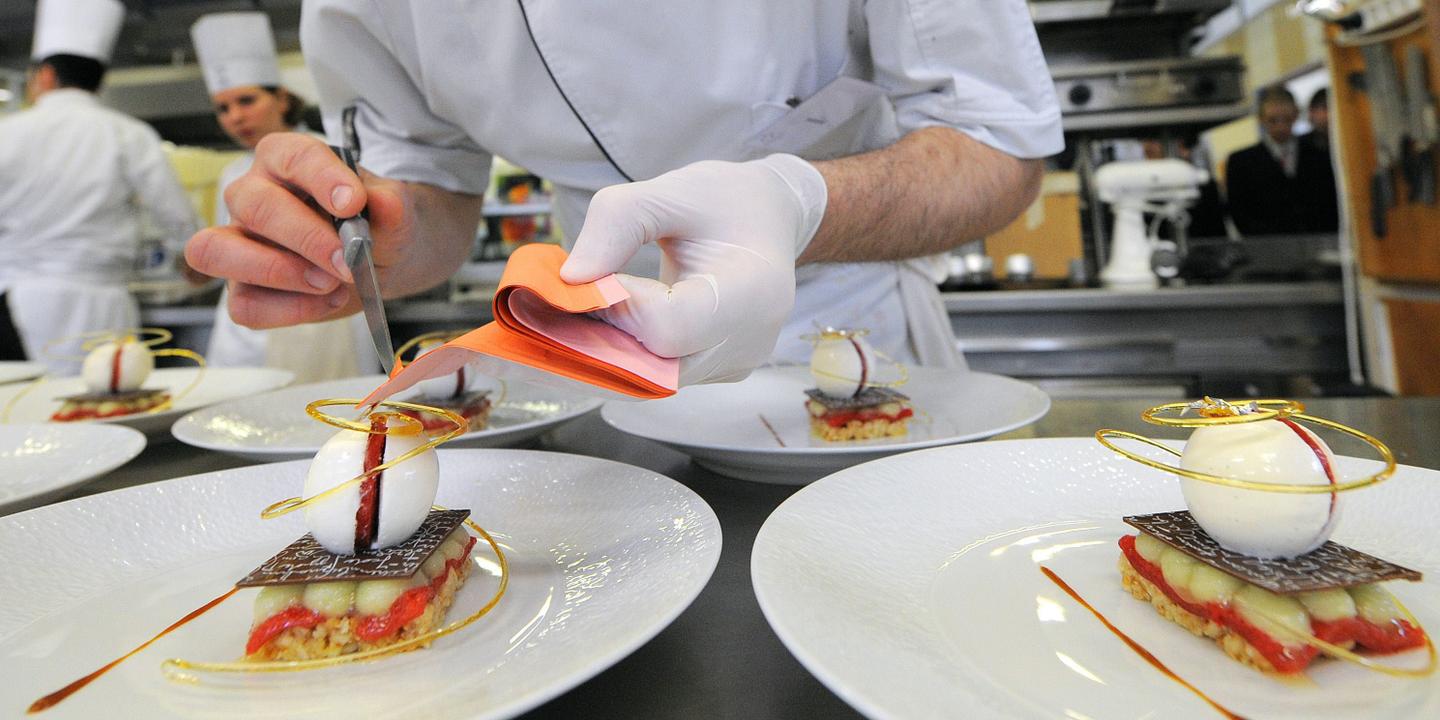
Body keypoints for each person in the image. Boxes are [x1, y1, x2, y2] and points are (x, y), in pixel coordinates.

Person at [186, 1, 1063, 387]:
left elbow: (998, 141)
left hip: (845, 336)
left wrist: (793, 202)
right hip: (589, 360)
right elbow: (430, 192)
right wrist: (363, 236)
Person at [0, 0, 199, 374]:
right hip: (102, 303)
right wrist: (193, 257)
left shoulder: (6, 133)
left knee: (19, 402)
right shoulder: (128, 133)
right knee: (106, 397)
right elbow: (175, 213)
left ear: (45, 75)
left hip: (16, 301)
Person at [191, 12, 377, 382]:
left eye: (247, 100)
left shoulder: (327, 156)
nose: (235, 117)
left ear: (281, 98)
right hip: (247, 326)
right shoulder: (231, 172)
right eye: (223, 108)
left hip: (324, 311)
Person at [1225, 86, 1340, 236]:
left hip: (1317, 240)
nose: (1280, 127)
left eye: (1287, 119)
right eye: (1273, 120)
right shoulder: (1241, 162)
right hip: (1268, 243)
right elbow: (1240, 213)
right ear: (1261, 119)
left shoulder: (1320, 156)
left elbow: (1331, 204)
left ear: (1296, 116)